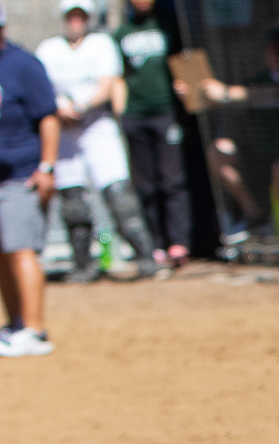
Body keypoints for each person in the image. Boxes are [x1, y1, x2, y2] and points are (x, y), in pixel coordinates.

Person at [37, 0, 163, 281]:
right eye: (71, 16)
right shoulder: (49, 49)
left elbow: (108, 85)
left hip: (97, 125)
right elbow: (42, 89)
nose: (76, 21)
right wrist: (60, 108)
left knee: (118, 192)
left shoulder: (101, 44)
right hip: (64, 129)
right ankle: (83, 265)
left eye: (81, 16)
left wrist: (81, 105)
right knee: (72, 199)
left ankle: (145, 256)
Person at [180, 26, 279, 244]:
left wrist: (225, 93)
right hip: (258, 153)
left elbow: (269, 93)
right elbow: (219, 98)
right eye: (272, 51)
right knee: (218, 152)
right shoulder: (261, 76)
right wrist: (194, 91)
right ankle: (256, 217)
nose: (277, 56)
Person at [0, 1, 61, 358]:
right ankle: (16, 324)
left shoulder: (23, 65)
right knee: (2, 254)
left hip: (22, 174)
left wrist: (47, 166)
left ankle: (35, 330)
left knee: (21, 249)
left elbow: (48, 117)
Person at [114, 0, 190, 267]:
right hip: (135, 115)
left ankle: (178, 243)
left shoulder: (169, 24)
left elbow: (185, 60)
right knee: (145, 185)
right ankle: (156, 243)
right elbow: (119, 75)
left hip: (165, 111)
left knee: (171, 180)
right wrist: (121, 114)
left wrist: (186, 85)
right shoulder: (121, 32)